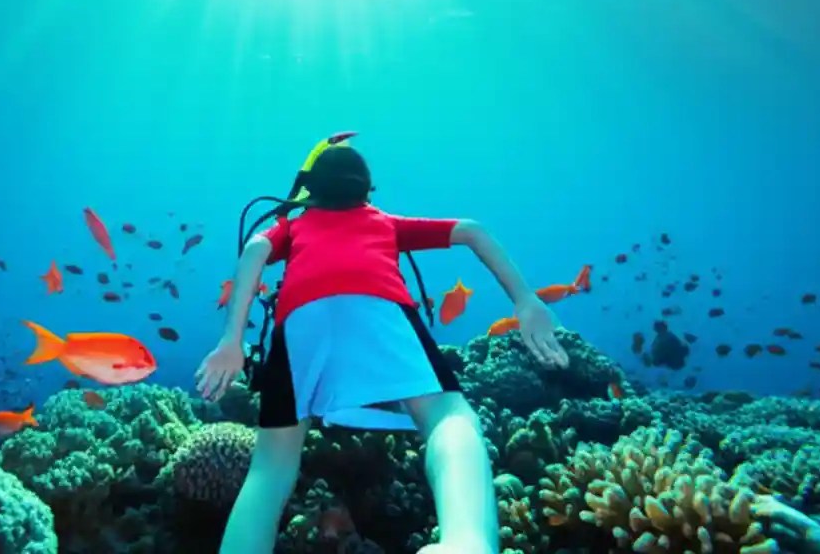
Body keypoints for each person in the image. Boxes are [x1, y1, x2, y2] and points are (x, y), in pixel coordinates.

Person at [195, 144, 570, 554]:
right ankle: (466, 541)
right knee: (447, 418)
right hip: (381, 307)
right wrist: (525, 300)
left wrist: (232, 341)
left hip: (301, 320)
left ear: (310, 193)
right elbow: (470, 229)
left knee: (270, 468)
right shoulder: (383, 221)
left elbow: (254, 249)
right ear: (366, 193)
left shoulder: (294, 225)